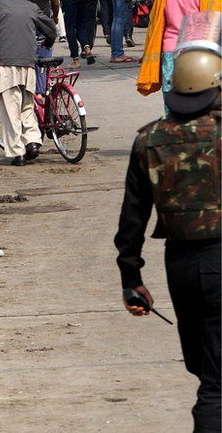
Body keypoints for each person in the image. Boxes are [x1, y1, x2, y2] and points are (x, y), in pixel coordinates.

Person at [115, 24, 221, 431]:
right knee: (216, 383)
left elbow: (131, 220)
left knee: (205, 367)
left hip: (181, 265)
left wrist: (131, 278)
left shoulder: (150, 140)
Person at [0, 0, 57, 166]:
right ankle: (33, 141)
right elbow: (50, 28)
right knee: (26, 104)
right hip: (28, 63)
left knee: (11, 109)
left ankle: (19, 153)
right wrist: (48, 42)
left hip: (5, 64)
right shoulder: (31, 7)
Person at [138, 0, 221, 110]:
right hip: (194, 53)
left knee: (171, 94)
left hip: (170, 51)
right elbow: (215, 21)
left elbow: (155, 21)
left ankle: (171, 128)